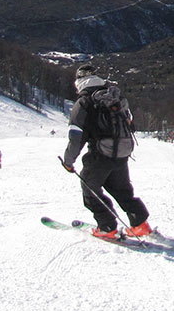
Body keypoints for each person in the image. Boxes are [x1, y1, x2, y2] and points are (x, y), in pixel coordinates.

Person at [61, 64, 151, 239]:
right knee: (122, 190)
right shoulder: (114, 96)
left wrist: (68, 161)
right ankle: (140, 225)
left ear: (78, 82)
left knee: (90, 189)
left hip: (99, 155)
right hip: (121, 153)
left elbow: (76, 135)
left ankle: (107, 227)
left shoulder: (85, 102)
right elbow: (130, 123)